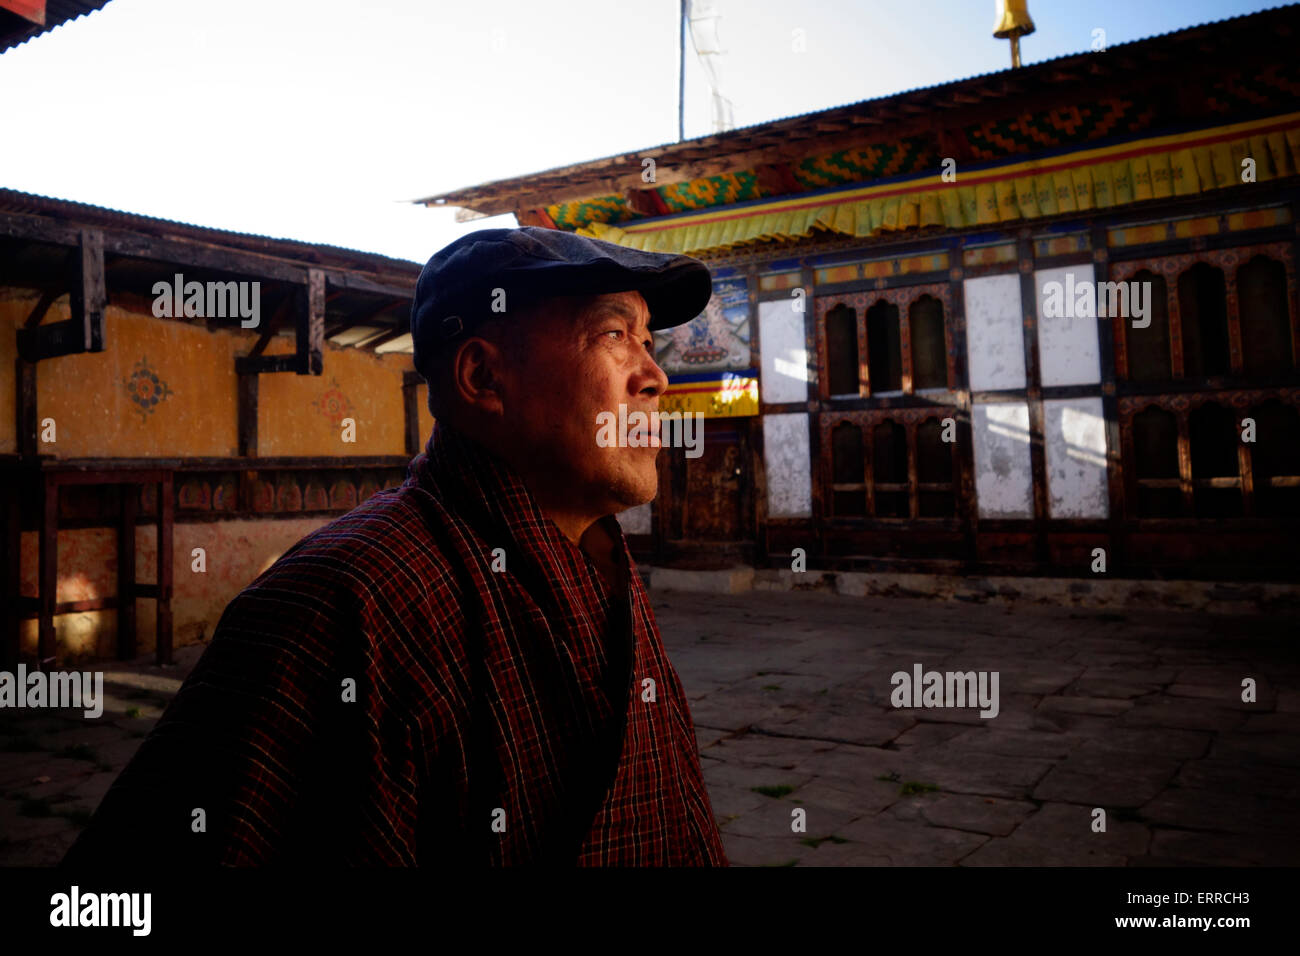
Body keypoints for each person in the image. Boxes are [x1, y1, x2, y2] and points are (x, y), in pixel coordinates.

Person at [62, 227, 728, 866]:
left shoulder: (599, 565)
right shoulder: (337, 603)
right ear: (483, 379)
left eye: (648, 340)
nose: (654, 377)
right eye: (614, 334)